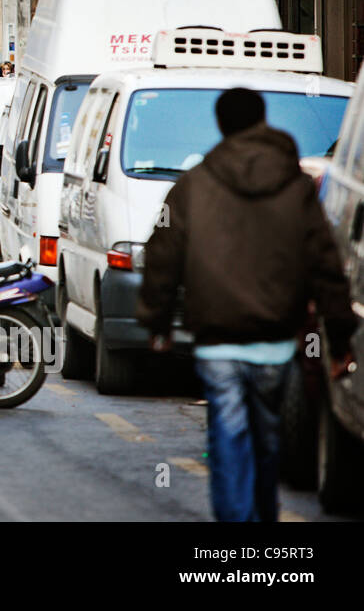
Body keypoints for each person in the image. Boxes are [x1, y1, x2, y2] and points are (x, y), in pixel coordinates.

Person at [138, 88, 358, 522]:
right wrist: (339, 336)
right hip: (277, 341)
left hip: (217, 341)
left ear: (222, 125)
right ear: (263, 121)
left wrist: (156, 322)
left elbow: (162, 254)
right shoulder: (296, 187)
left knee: (228, 433)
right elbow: (325, 263)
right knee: (266, 435)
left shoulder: (192, 186)